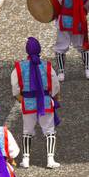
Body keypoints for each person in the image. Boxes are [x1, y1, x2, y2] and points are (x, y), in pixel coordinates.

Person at [12, 36, 61, 169]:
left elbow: (15, 89)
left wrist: (22, 99)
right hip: (45, 102)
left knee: (27, 131)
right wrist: (54, 97)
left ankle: (26, 159)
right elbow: (55, 86)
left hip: (27, 103)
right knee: (49, 131)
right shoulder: (47, 66)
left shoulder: (18, 67)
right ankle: (50, 159)